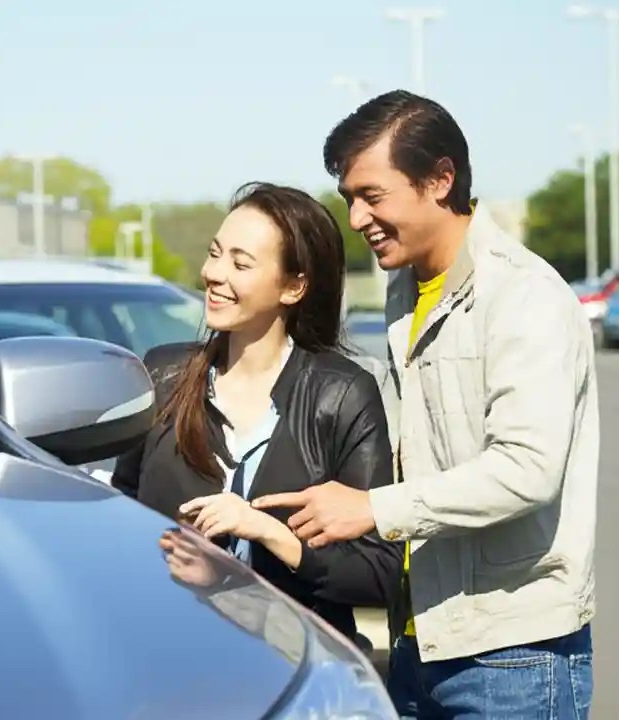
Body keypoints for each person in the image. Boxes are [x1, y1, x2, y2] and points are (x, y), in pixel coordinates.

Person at [252, 90, 599, 718]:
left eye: (372, 196)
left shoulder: (524, 297)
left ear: (441, 179)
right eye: (349, 198)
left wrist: (373, 508)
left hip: (512, 657)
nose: (357, 218)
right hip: (419, 640)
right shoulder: (403, 287)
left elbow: (528, 469)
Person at [111, 181, 402, 641]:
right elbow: (121, 519)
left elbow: (380, 573)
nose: (214, 273)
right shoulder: (163, 374)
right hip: (167, 651)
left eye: (240, 263)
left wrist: (269, 534)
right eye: (215, 253)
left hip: (297, 669)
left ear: (293, 286)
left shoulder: (344, 394)